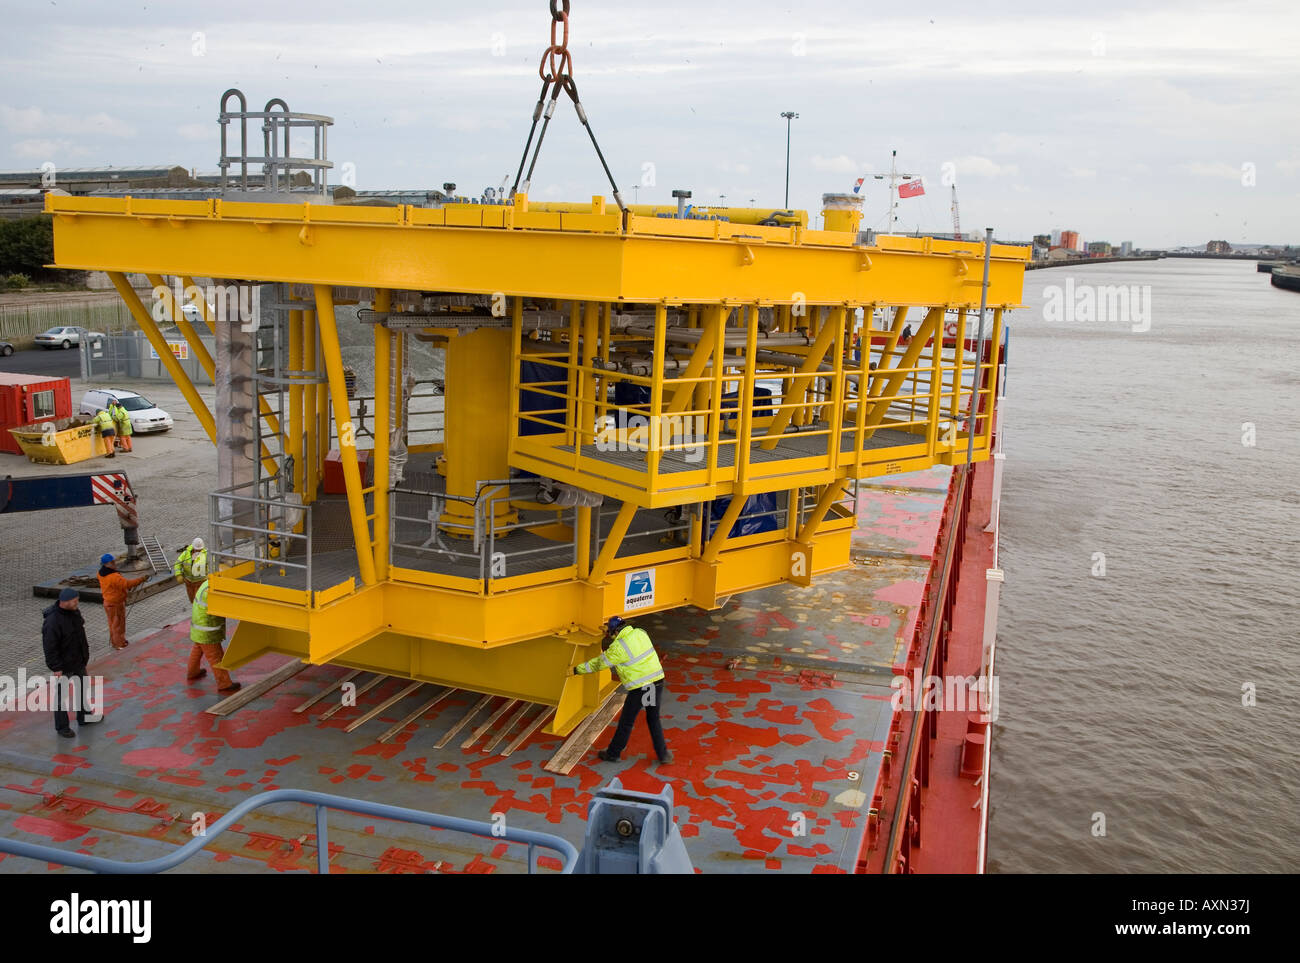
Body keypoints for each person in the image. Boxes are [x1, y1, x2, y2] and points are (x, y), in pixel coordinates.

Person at [573, 616, 672, 764]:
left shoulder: (618, 647)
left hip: (641, 688)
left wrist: (577, 669)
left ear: (614, 632)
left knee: (627, 721)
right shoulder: (640, 632)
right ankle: (663, 754)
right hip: (655, 683)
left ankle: (613, 753)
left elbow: (599, 663)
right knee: (653, 719)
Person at [42, 588, 97, 738]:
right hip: (64, 665)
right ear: (65, 602)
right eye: (75, 601)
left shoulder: (74, 612)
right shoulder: (53, 621)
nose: (77, 603)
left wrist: (84, 657)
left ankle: (84, 717)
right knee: (61, 697)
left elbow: (80, 634)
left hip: (78, 660)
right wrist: (56, 667)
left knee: (82, 689)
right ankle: (62, 727)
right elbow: (49, 646)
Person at [189, 578, 240, 694]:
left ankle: (192, 672)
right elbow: (225, 608)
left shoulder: (208, 584)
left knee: (197, 648)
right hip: (207, 630)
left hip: (199, 627)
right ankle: (224, 684)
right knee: (216, 656)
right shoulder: (214, 590)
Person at [97, 553, 146, 651]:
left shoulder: (101, 573)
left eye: (114, 561)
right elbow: (127, 584)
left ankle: (116, 642)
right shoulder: (113, 576)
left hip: (109, 602)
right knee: (118, 625)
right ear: (106, 564)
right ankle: (119, 644)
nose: (114, 563)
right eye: (112, 562)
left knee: (113, 624)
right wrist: (142, 579)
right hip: (115, 604)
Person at [108, 479, 141, 558]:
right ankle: (132, 554)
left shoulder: (127, 498)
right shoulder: (127, 497)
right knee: (130, 532)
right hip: (129, 522)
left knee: (130, 531)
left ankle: (132, 553)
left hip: (130, 522)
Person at [173, 537, 208, 603]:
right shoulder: (186, 553)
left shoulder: (205, 554)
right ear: (193, 548)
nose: (198, 551)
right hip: (189, 582)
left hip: (200, 582)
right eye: (197, 550)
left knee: (199, 600)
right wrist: (178, 575)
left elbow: (212, 565)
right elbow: (178, 563)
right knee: (192, 600)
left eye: (200, 550)